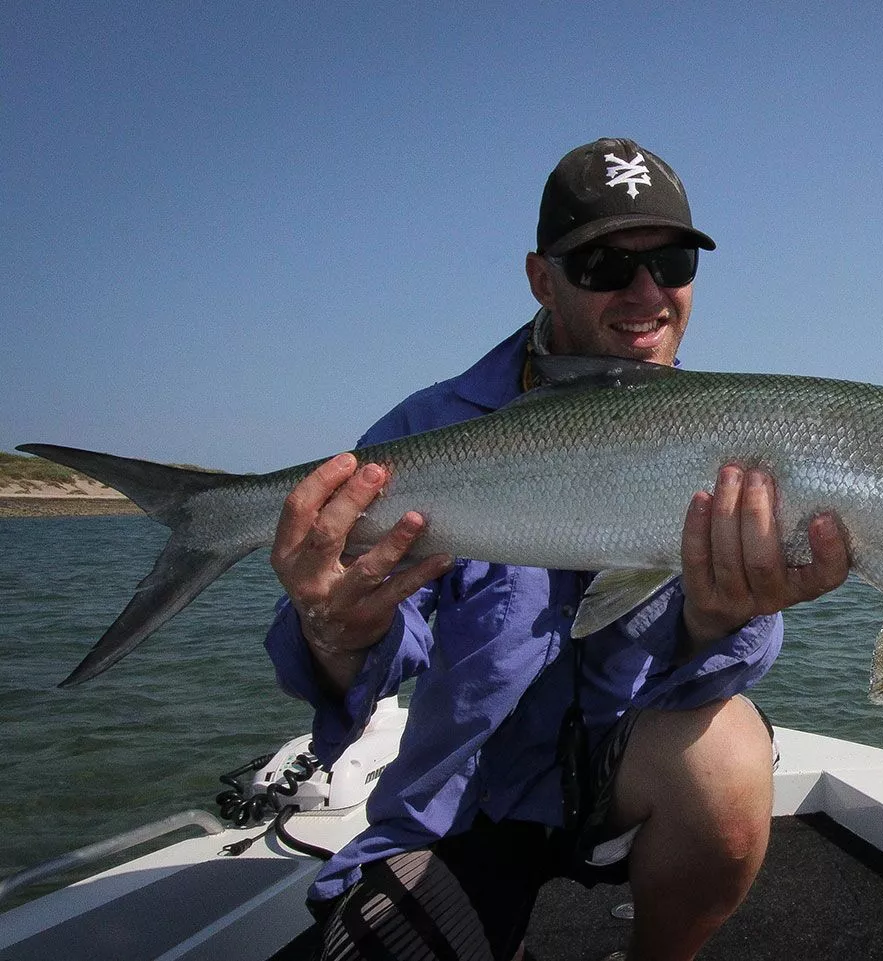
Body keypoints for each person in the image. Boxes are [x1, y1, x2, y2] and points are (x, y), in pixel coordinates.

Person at [264, 138, 850, 961]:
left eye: (672, 261)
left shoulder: (737, 443)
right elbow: (351, 658)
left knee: (727, 755)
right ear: (543, 278)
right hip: (468, 797)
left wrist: (719, 621)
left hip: (628, 773)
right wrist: (333, 630)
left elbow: (707, 679)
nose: (645, 293)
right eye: (604, 266)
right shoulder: (431, 430)